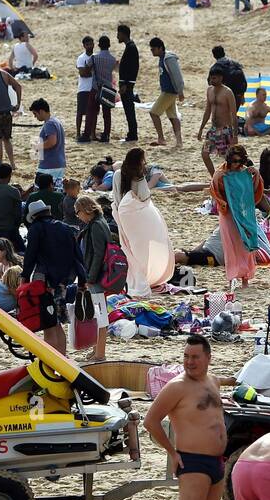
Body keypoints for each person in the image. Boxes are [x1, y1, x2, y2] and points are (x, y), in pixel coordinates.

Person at [142, 335, 229, 500]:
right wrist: (171, 451)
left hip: (217, 463)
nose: (189, 362)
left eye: (195, 357)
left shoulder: (211, 381)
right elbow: (151, 421)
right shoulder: (176, 386)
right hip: (192, 460)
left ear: (207, 358)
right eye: (186, 357)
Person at [111, 148, 174, 298]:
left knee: (129, 248)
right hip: (137, 217)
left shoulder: (118, 174)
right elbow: (145, 197)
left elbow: (116, 197)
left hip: (123, 215)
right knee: (141, 251)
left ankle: (134, 279)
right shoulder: (138, 177)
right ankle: (144, 276)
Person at [22, 200, 83, 355]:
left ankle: (50, 361)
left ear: (34, 216)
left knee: (48, 323)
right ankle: (62, 359)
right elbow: (78, 256)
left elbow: (30, 255)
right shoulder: (65, 228)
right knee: (57, 322)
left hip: (45, 281)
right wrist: (82, 279)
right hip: (63, 280)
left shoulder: (36, 229)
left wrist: (25, 277)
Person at [76, 198, 112, 362]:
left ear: (86, 210)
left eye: (78, 212)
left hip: (96, 277)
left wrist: (90, 277)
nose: (78, 216)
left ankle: (100, 354)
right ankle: (96, 350)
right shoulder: (98, 222)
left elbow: (98, 254)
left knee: (100, 316)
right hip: (96, 275)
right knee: (97, 314)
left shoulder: (96, 225)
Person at [197, 67, 237, 176]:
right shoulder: (209, 90)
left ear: (221, 78)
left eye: (214, 78)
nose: (212, 80)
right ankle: (214, 177)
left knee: (228, 159)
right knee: (205, 154)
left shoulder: (227, 92)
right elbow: (207, 111)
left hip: (225, 130)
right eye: (210, 78)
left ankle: (229, 179)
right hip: (213, 130)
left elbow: (234, 115)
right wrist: (201, 129)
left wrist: (235, 135)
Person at [148, 37, 185, 149]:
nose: (152, 51)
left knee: (154, 113)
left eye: (153, 49)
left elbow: (176, 75)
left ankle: (161, 138)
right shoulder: (163, 58)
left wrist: (180, 91)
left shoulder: (168, 58)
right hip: (168, 91)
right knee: (173, 116)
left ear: (160, 48)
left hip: (170, 92)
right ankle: (179, 142)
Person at [85, 34, 118, 144]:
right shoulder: (112, 59)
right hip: (107, 88)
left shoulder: (94, 58)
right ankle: (106, 134)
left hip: (96, 87)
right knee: (106, 113)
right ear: (109, 45)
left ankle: (87, 133)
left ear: (99, 45)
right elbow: (114, 70)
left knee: (91, 111)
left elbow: (87, 69)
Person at [30, 98, 66, 190]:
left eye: (35, 114)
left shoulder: (49, 124)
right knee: (55, 191)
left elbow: (52, 142)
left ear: (41, 111)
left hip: (49, 165)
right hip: (58, 163)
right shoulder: (56, 121)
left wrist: (37, 147)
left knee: (40, 190)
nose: (35, 117)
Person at [74, 36, 96, 141]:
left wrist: (89, 70)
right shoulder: (81, 58)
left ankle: (93, 133)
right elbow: (83, 74)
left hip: (93, 88)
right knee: (80, 112)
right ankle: (78, 132)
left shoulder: (96, 57)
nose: (90, 46)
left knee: (93, 112)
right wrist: (91, 71)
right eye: (87, 44)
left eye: (91, 44)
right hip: (83, 89)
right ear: (84, 46)